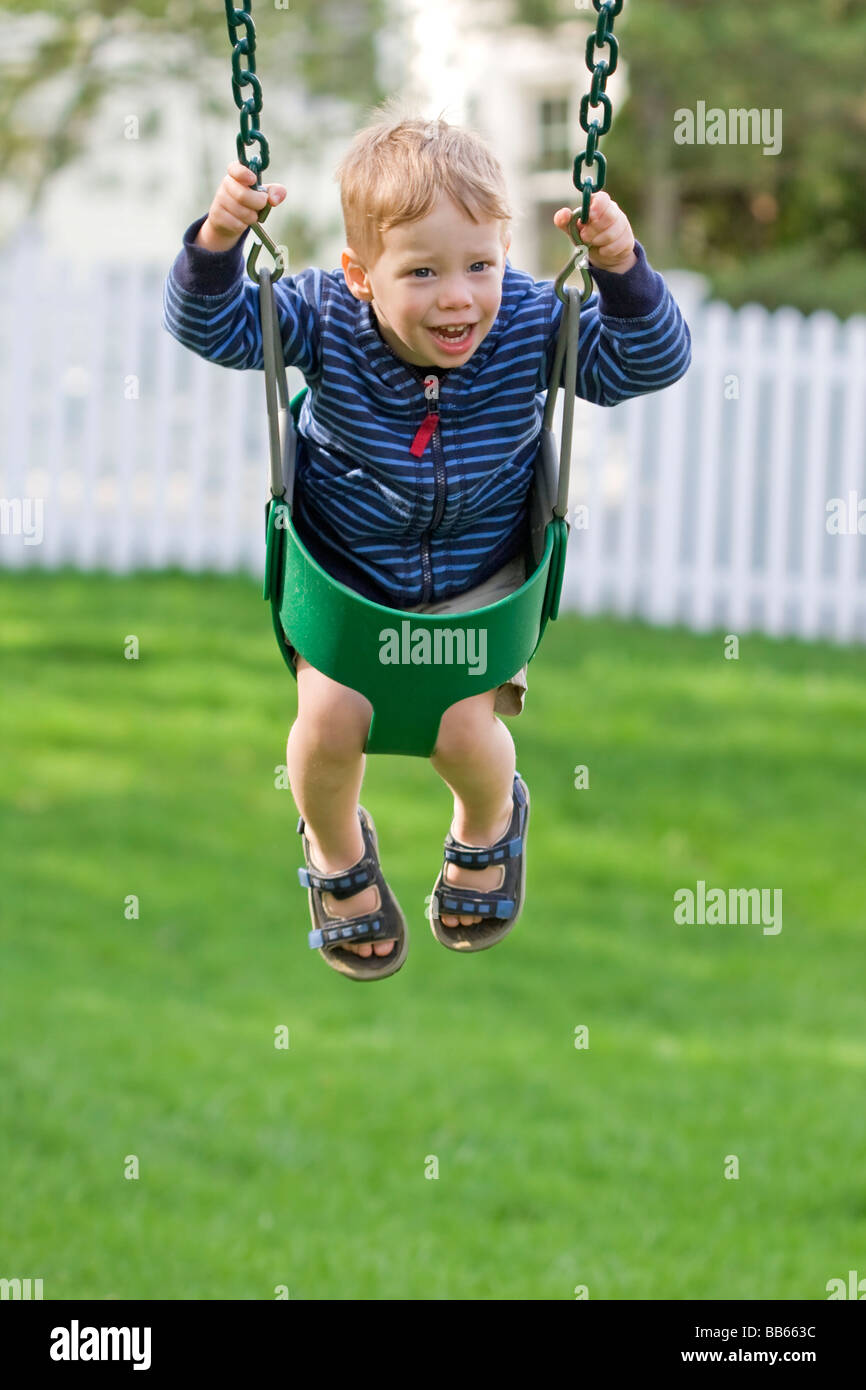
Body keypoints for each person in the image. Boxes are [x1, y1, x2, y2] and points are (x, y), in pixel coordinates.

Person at [163, 105, 691, 982]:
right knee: (327, 723)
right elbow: (210, 330)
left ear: (506, 258)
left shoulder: (527, 322)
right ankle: (338, 854)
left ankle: (487, 826)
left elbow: (648, 363)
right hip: (347, 576)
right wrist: (218, 242)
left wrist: (622, 269)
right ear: (361, 275)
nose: (459, 296)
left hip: (481, 581)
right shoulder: (323, 318)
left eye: (480, 264)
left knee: (464, 735)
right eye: (423, 271)